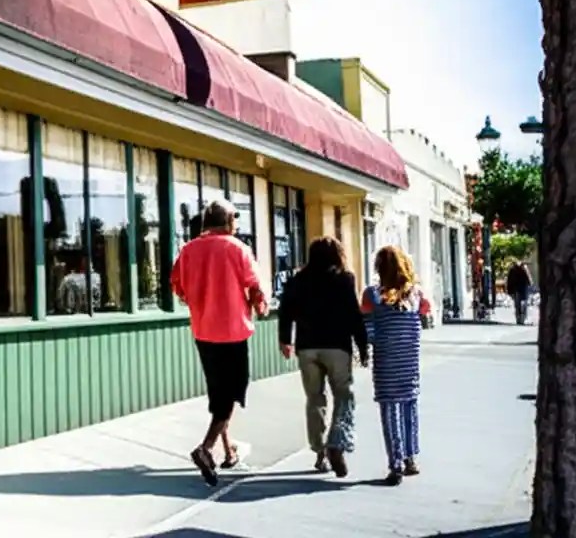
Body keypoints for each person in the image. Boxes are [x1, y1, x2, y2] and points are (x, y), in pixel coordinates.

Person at [171, 199, 269, 486]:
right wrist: (260, 306)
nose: (236, 225)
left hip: (204, 331)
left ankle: (229, 450)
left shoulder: (188, 250)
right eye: (234, 220)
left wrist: (199, 299)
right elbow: (255, 287)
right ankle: (206, 448)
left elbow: (177, 285)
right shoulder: (237, 248)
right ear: (227, 222)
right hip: (233, 330)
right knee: (232, 392)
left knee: (219, 392)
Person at [278, 237, 369, 478]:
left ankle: (319, 452)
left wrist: (285, 339)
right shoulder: (344, 279)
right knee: (343, 395)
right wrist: (362, 346)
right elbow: (353, 314)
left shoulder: (298, 280)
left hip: (308, 348)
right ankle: (336, 442)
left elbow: (285, 310)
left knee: (314, 399)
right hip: (337, 347)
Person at [362, 245, 431, 486]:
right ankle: (411, 459)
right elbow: (426, 310)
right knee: (409, 407)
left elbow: (368, 331)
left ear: (379, 268)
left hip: (386, 363)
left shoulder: (371, 294)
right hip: (409, 362)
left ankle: (396, 464)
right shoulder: (416, 294)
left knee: (390, 412)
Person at [506, 260, 533, 326]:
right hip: (520, 288)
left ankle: (520, 318)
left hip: (519, 288)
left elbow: (509, 280)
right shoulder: (522, 268)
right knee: (521, 303)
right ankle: (521, 317)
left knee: (519, 304)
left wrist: (509, 290)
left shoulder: (513, 269)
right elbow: (529, 278)